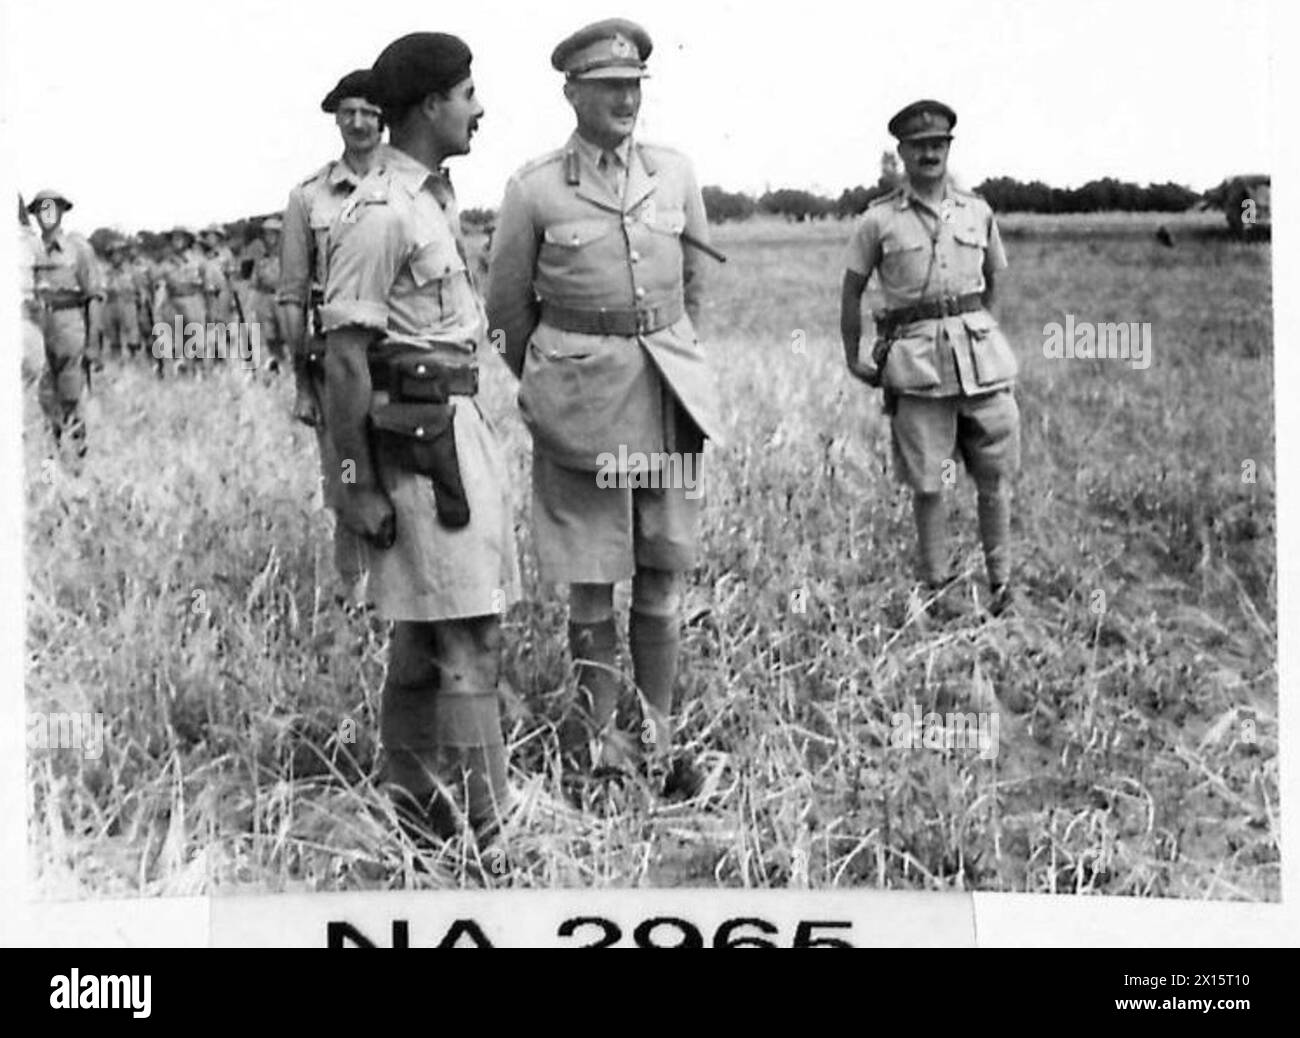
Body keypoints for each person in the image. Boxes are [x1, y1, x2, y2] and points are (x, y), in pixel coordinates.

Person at [486, 18, 723, 795]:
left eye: (634, 87)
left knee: (662, 573)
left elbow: (694, 283)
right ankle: (599, 748)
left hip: (665, 398)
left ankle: (654, 739)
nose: (625, 100)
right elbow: (507, 313)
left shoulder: (674, 174)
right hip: (580, 409)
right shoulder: (535, 189)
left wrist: (672, 348)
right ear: (572, 93)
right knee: (592, 581)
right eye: (609, 87)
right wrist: (554, 381)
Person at [321, 32, 521, 842]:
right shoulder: (381, 213)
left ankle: (416, 818)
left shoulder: (432, 199)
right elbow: (341, 361)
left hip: (454, 430)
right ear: (431, 104)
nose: (479, 108)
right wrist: (354, 485)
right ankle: (488, 835)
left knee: (420, 637)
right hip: (416, 452)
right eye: (468, 93)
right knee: (469, 637)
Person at [840, 100, 1021, 619]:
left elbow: (996, 279)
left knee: (995, 477)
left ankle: (1002, 585)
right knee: (930, 482)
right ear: (901, 153)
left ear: (949, 149)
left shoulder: (978, 211)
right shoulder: (877, 221)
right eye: (919, 146)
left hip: (981, 366)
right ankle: (939, 590)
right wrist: (854, 356)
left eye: (938, 144)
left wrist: (985, 331)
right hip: (917, 368)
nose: (929, 153)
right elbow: (850, 291)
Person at [277, 68, 384, 604]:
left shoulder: (409, 183)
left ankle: (406, 609)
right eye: (349, 113)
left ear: (385, 119)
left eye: (369, 111)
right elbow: (292, 296)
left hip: (400, 364)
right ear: (336, 120)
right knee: (347, 479)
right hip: (335, 369)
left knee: (408, 483)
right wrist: (301, 383)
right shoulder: (308, 197)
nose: (359, 123)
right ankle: (354, 603)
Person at [27, 189, 103, 460]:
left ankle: (79, 462)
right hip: (38, 325)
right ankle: (51, 467)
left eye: (52, 208)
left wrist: (93, 343)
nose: (47, 214)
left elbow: (93, 296)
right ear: (35, 215)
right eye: (41, 209)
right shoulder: (29, 252)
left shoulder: (78, 249)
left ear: (60, 212)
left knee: (72, 395)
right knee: (46, 400)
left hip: (70, 323)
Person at [154, 226, 213, 374]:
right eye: (174, 238)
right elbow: (160, 287)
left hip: (194, 301)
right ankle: (182, 372)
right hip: (174, 303)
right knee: (177, 342)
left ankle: (200, 373)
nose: (177, 241)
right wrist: (158, 310)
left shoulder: (199, 261)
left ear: (187, 240)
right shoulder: (165, 264)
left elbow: (208, 287)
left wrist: (210, 310)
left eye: (180, 238)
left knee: (198, 342)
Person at [249, 216, 284, 367]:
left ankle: (291, 365)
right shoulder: (261, 258)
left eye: (273, 234)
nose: (270, 238)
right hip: (265, 298)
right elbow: (254, 282)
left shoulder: (289, 256)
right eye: (267, 234)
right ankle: (276, 362)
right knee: (269, 334)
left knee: (286, 333)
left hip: (283, 298)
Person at [101, 238, 143, 359]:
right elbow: (102, 288)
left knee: (132, 336)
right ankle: (116, 363)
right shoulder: (106, 272)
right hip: (111, 304)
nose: (116, 257)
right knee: (113, 337)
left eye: (118, 253)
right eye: (113, 254)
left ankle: (133, 361)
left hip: (128, 303)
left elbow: (140, 290)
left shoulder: (132, 270)